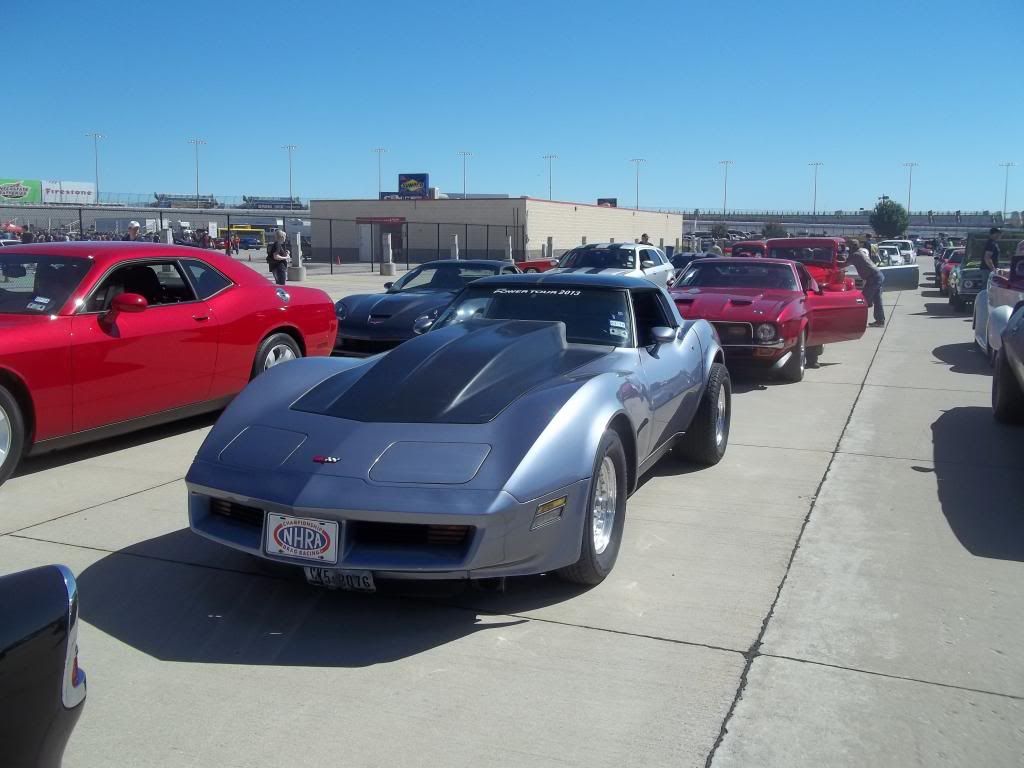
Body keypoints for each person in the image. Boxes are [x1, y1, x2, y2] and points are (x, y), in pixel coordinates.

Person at [846, 239, 885, 327]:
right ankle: (880, 321)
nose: (848, 248)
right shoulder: (860, 252)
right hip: (878, 275)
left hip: (873, 278)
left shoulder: (855, 255)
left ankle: (858, 321)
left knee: (863, 299)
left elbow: (844, 264)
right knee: (877, 300)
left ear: (853, 246)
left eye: (849, 246)